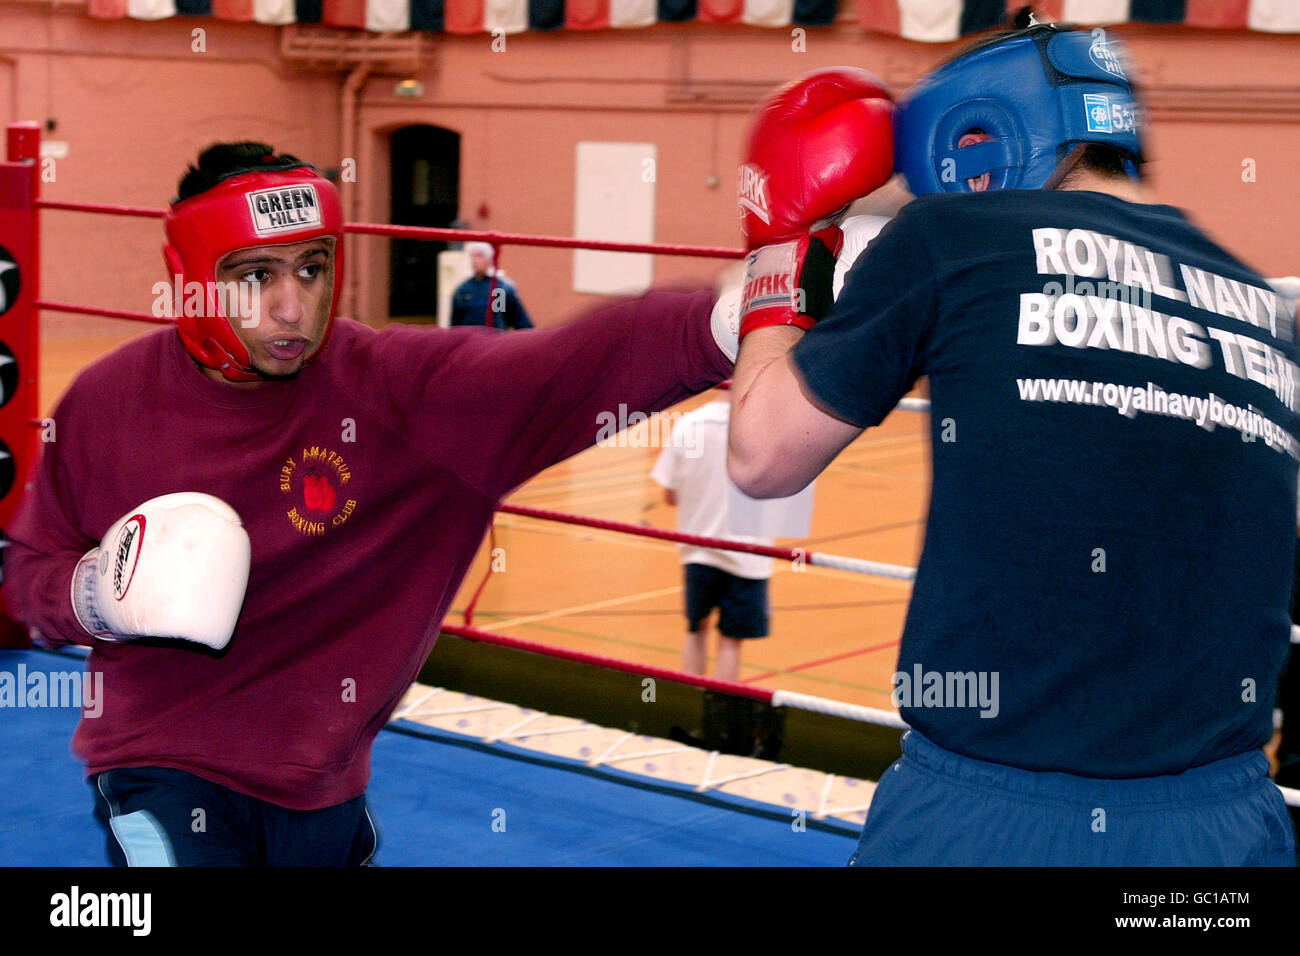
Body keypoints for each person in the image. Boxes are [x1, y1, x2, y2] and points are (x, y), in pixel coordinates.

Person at [2, 142, 735, 866]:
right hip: (159, 768)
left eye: (313, 269)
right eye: (256, 275)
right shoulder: (104, 405)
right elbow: (29, 576)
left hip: (325, 788)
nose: (294, 307)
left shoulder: (401, 400)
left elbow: (566, 365)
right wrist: (95, 593)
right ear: (190, 278)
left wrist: (736, 315)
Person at [727, 21, 1298, 865]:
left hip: (993, 815)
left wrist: (780, 255)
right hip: (1225, 824)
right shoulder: (1265, 308)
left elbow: (761, 454)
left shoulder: (955, 237)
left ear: (981, 137)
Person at [651, 384, 774, 683]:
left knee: (696, 629)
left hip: (699, 549)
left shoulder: (689, 424)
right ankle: (719, 718)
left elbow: (669, 495)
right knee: (731, 642)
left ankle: (689, 709)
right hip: (748, 556)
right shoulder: (766, 432)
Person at [448, 241, 533, 330]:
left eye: (479, 256)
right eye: (473, 256)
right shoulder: (463, 290)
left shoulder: (501, 288)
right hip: (470, 342)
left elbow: (522, 323)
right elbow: (454, 326)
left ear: (489, 258)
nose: (475, 260)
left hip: (495, 342)